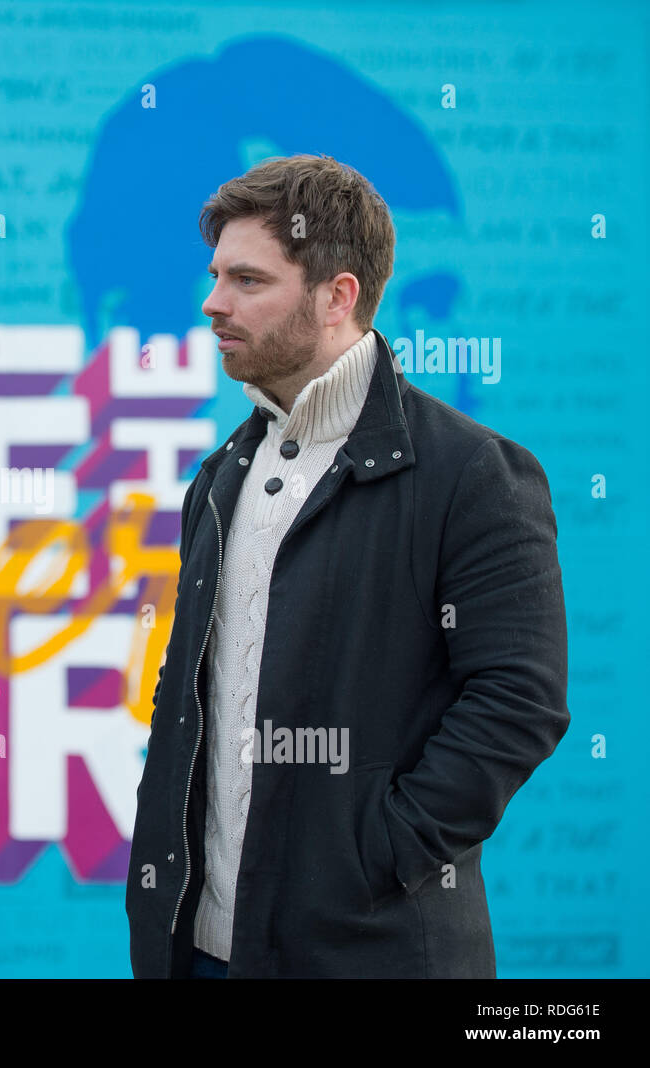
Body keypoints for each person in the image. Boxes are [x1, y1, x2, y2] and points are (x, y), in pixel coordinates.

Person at [125, 154, 568, 979]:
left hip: (373, 952)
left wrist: (378, 854)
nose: (212, 303)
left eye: (248, 280)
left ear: (339, 296)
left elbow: (520, 702)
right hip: (198, 951)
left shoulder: (472, 473)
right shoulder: (222, 475)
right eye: (216, 274)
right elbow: (193, 688)